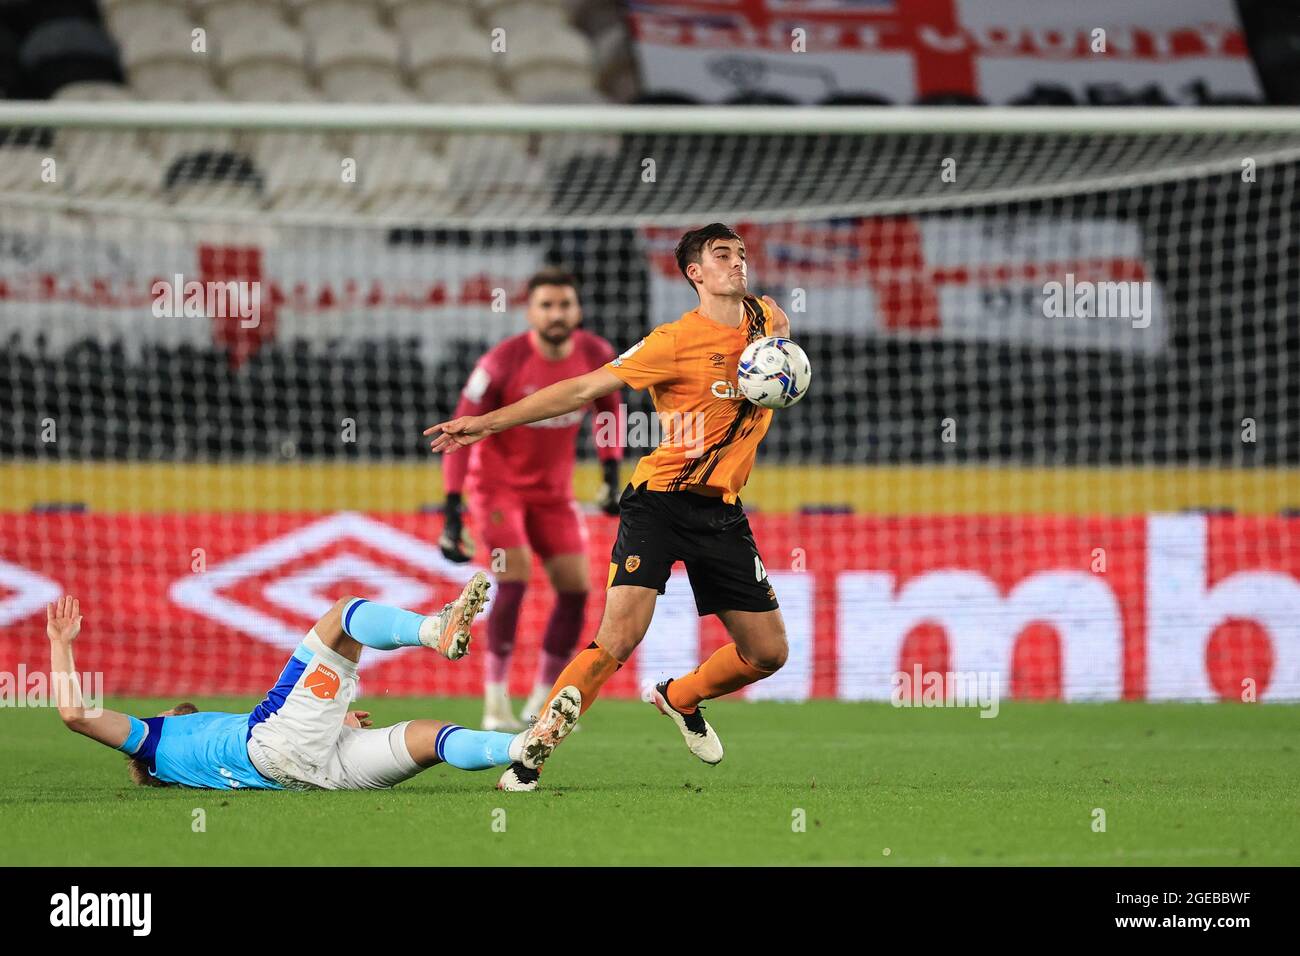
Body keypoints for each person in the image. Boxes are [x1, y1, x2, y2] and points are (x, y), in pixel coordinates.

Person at [426, 224, 790, 791]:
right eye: (723, 256)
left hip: (723, 512)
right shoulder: (670, 342)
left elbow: (777, 370)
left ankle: (680, 697)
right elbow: (579, 390)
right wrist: (485, 425)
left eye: (741, 254)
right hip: (658, 504)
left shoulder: (770, 320)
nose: (737, 263)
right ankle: (531, 754)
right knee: (619, 636)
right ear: (695, 273)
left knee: (768, 654)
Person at [44, 582, 581, 791]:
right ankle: (433, 630)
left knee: (427, 737)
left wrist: (333, 720)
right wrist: (61, 642)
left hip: (311, 772)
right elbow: (74, 714)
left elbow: (303, 736)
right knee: (344, 615)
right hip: (273, 743)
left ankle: (520, 753)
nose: (179, 712)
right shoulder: (152, 741)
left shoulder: (190, 757)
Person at [439, 268, 623, 731]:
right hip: (497, 489)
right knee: (514, 577)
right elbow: (457, 432)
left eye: (564, 305)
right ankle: (495, 701)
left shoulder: (597, 354)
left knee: (577, 589)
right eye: (546, 305)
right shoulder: (501, 362)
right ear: (530, 312)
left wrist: (609, 474)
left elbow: (609, 411)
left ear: (577, 310)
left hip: (555, 495)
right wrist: (450, 510)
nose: (556, 314)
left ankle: (543, 697)